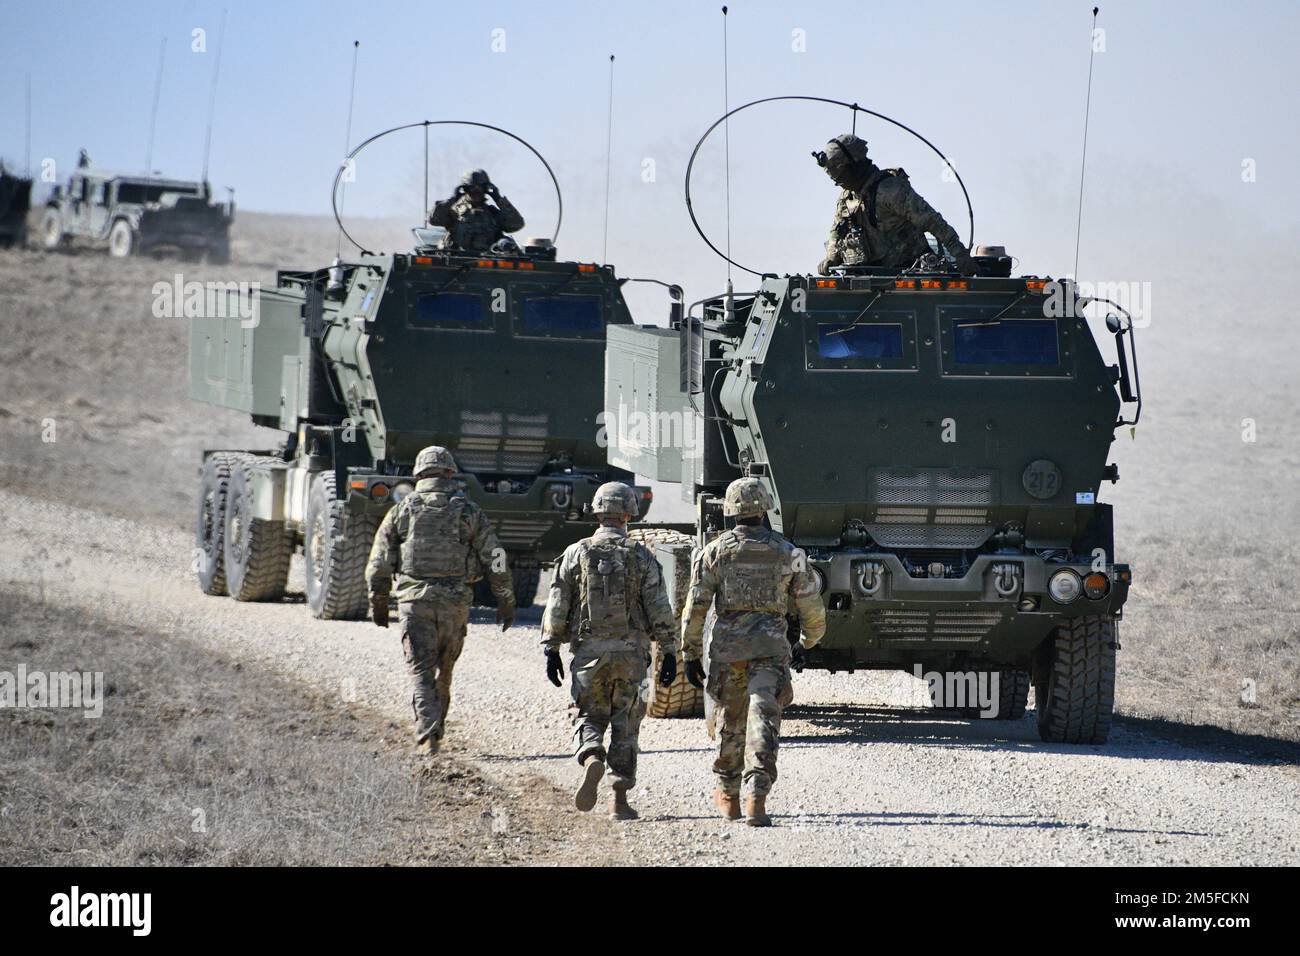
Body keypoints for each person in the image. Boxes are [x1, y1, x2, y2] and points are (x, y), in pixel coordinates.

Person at [678, 477, 826, 827]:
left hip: (729, 652)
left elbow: (695, 607)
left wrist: (689, 653)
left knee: (731, 721)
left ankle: (727, 796)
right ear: (765, 508)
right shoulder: (789, 553)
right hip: (771, 651)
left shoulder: (714, 552)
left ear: (730, 510)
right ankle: (756, 796)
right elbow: (811, 608)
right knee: (764, 719)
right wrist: (807, 642)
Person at [365, 445, 516, 754]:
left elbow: (379, 563)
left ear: (418, 474)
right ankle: (435, 729)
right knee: (444, 671)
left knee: (420, 670)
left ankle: (427, 735)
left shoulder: (401, 510)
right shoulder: (468, 511)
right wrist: (505, 598)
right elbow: (496, 556)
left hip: (414, 602)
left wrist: (379, 602)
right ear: (450, 474)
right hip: (455, 603)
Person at [540, 481, 677, 821]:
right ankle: (619, 800)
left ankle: (591, 756)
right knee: (626, 724)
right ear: (630, 513)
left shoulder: (576, 552)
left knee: (589, 715)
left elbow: (557, 603)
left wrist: (551, 648)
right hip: (632, 657)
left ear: (597, 512)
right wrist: (670, 650)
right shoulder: (642, 556)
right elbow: (659, 607)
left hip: (589, 654)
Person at [813, 132, 976, 275]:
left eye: (842, 177)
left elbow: (931, 220)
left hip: (910, 272)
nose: (840, 183)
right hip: (869, 276)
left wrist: (960, 254)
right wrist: (831, 257)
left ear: (855, 166)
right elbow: (836, 232)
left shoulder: (890, 191)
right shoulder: (846, 199)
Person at [428, 169, 524, 253]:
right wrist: (453, 199)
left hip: (487, 261)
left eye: (480, 187)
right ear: (465, 189)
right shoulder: (455, 211)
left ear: (486, 189)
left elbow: (517, 224)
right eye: (472, 187)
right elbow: (433, 219)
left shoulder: (492, 214)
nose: (476, 191)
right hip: (456, 260)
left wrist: (498, 199)